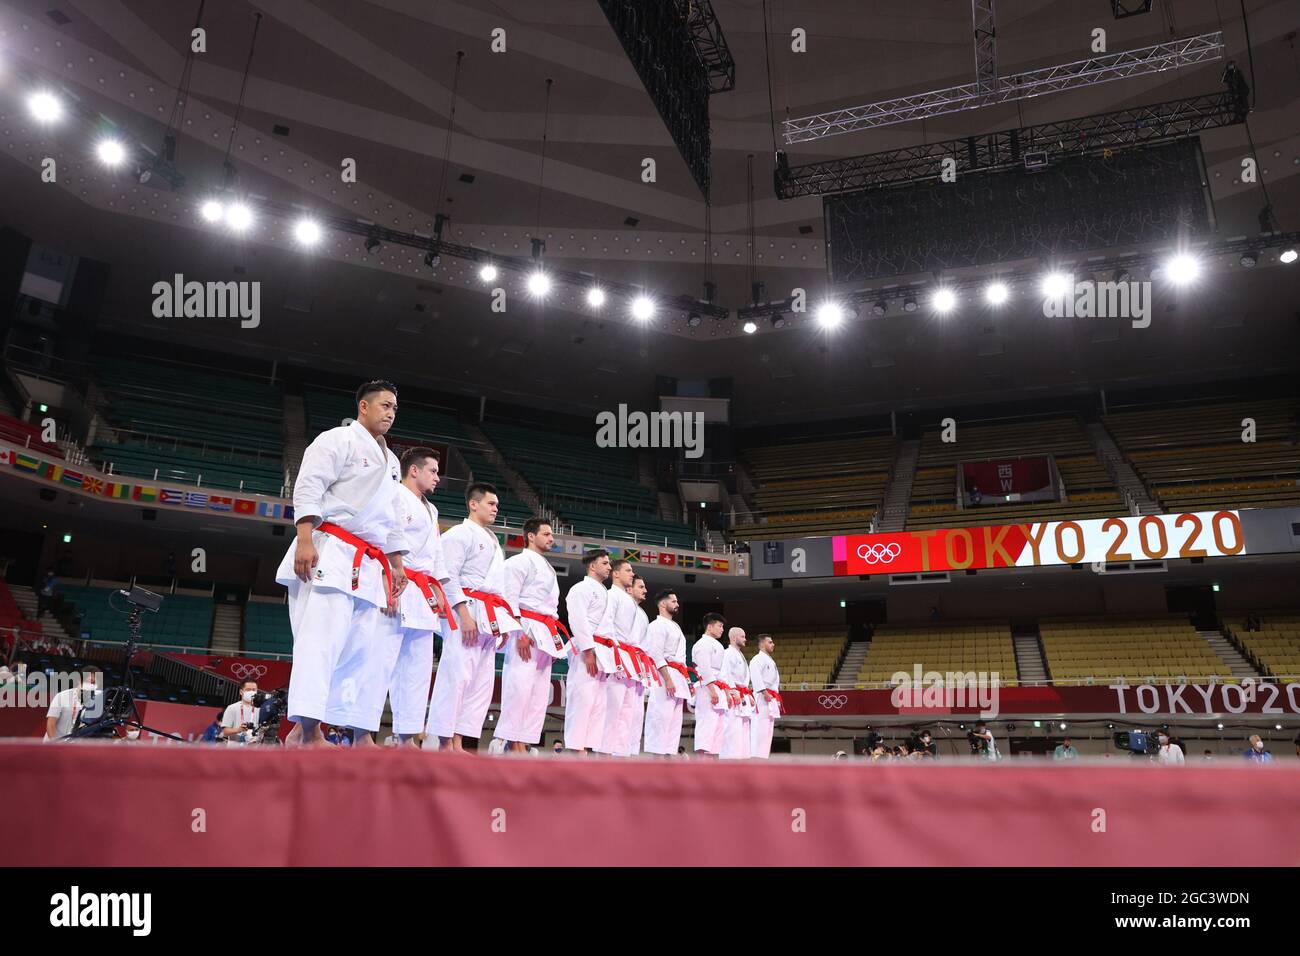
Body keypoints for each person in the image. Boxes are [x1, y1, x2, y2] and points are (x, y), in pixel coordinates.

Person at [276, 380, 408, 749]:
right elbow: (309, 486)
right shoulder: (336, 439)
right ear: (363, 407)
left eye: (395, 408)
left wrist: (396, 564)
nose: (391, 413)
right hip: (331, 551)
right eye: (385, 405)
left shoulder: (392, 462)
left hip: (368, 563)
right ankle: (308, 731)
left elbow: (393, 516)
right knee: (319, 645)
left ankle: (337, 731)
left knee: (357, 652)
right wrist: (305, 538)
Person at [425, 483, 521, 751]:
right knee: (456, 676)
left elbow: (499, 588)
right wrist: (463, 614)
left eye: (497, 505)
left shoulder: (493, 540)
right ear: (473, 504)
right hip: (466, 609)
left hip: (488, 615)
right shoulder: (459, 534)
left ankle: (458, 741)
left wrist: (502, 623)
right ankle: (443, 741)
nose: (495, 509)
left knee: (481, 684)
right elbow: (447, 576)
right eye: (491, 503)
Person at [377, 447, 459, 747]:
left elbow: (436, 554)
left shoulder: (431, 510)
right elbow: (386, 538)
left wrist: (439, 590)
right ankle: (360, 732)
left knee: (418, 669)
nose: (437, 478)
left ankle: (407, 736)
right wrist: (387, 578)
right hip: (396, 583)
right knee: (381, 662)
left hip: (422, 592)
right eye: (433, 471)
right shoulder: (395, 496)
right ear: (414, 470)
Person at [494, 519, 563, 753]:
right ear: (531, 536)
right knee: (519, 687)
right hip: (525, 627)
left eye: (551, 534)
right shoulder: (518, 562)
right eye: (546, 534)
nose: (551, 538)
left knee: (538, 693)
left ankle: (524, 741)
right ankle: (510, 740)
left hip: (545, 631)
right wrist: (518, 632)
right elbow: (508, 599)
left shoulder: (548, 567)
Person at [563, 550, 612, 753]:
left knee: (597, 705)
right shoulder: (581, 588)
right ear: (592, 566)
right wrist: (588, 651)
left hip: (602, 652)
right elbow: (578, 621)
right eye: (605, 563)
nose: (609, 567)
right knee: (581, 701)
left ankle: (587, 750)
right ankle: (576, 750)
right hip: (587, 650)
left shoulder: (604, 592)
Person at [592, 559, 640, 756]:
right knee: (611, 709)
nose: (632, 574)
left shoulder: (628, 600)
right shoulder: (611, 595)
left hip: (628, 657)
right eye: (628, 570)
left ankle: (620, 755)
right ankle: (603, 755)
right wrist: (607, 658)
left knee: (626, 712)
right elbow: (605, 627)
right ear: (616, 574)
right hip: (615, 655)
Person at [642, 588, 689, 757]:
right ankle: (657, 760)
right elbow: (656, 654)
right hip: (664, 676)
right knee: (660, 718)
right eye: (673, 601)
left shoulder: (675, 626)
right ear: (663, 604)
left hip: (678, 674)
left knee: (674, 724)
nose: (677, 604)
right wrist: (668, 679)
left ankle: (669, 759)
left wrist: (684, 679)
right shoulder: (657, 625)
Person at [690, 612, 728, 758]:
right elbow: (704, 669)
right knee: (706, 724)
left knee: (718, 726)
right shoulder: (702, 644)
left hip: (718, 687)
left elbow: (723, 673)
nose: (722, 629)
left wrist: (726, 691)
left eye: (723, 627)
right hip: (706, 688)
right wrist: (712, 690)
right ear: (710, 627)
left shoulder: (718, 645)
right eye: (719, 626)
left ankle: (714, 761)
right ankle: (702, 761)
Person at [716, 626, 753, 760]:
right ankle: (728, 760)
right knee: (732, 730)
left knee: (743, 731)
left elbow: (743, 678)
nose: (745, 639)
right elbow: (724, 674)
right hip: (733, 695)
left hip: (742, 694)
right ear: (734, 637)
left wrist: (748, 695)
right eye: (742, 636)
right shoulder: (727, 653)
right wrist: (732, 690)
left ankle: (742, 760)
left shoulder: (739, 654)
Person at [43, 665, 101, 741]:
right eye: (88, 681)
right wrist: (55, 744)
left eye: (94, 683)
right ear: (79, 680)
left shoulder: (96, 701)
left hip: (73, 745)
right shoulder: (61, 696)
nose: (91, 685)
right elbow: (51, 723)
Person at [748, 633, 782, 759]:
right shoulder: (757, 659)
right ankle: (755, 757)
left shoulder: (770, 660)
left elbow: (775, 682)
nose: (773, 644)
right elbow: (756, 676)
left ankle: (763, 757)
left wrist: (776, 698)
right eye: (770, 642)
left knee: (768, 730)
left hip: (771, 697)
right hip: (762, 697)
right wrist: (764, 691)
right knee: (759, 728)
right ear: (762, 644)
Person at [220, 679, 261, 745]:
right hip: (235, 747)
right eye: (248, 690)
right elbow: (225, 732)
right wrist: (238, 730)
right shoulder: (232, 708)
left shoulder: (260, 709)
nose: (251, 692)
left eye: (254, 690)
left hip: (254, 748)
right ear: (241, 692)